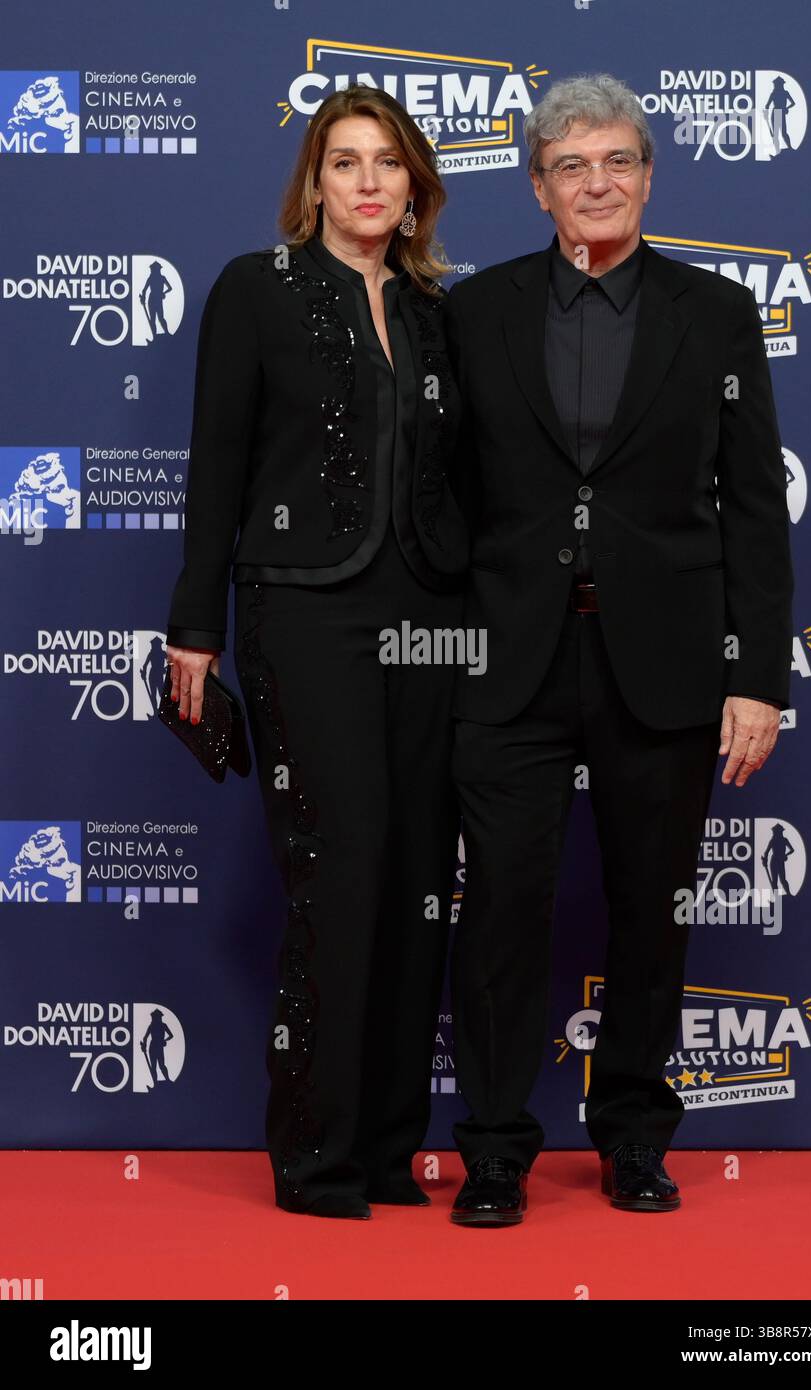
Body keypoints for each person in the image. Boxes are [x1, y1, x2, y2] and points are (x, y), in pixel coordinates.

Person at [442, 73, 794, 1225]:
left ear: (647, 175)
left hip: (666, 658)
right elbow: (440, 502)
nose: (597, 184)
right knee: (499, 908)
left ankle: (634, 1138)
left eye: (618, 163)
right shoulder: (476, 311)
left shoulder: (717, 314)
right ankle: (494, 1148)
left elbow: (752, 506)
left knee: (652, 907)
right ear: (538, 187)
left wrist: (755, 678)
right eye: (571, 167)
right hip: (509, 657)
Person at [163, 85, 469, 1220]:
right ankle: (315, 1153)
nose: (368, 183)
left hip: (430, 618)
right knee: (336, 878)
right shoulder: (257, 291)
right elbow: (216, 468)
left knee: (412, 881)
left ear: (415, 183)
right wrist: (194, 628)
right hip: (303, 608)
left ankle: (389, 1147)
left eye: (387, 162)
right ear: (314, 182)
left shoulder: (443, 312)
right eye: (345, 162)